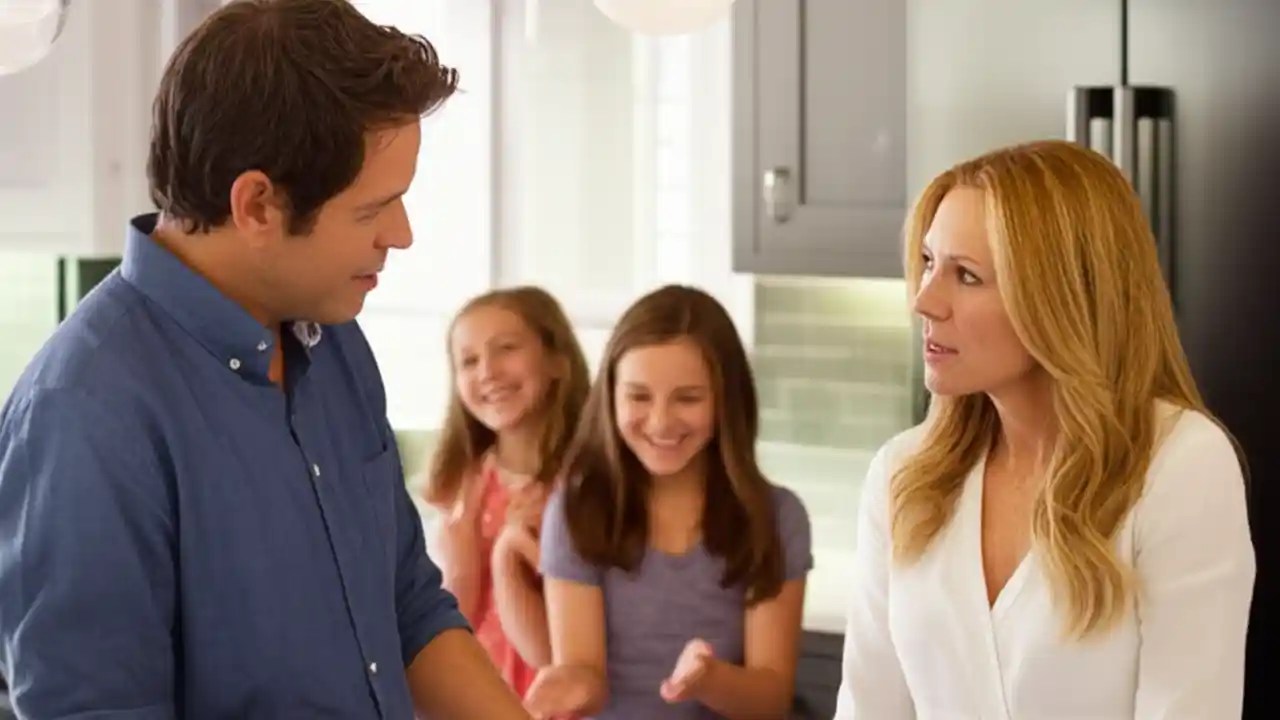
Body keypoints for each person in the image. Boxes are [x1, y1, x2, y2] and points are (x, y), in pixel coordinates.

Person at [0, 1, 532, 717]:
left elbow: (407, 606)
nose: (400, 236)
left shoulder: (333, 338)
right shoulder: (84, 414)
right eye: (373, 210)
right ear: (257, 205)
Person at [834, 140, 1256, 718]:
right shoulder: (903, 474)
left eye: (967, 275)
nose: (925, 300)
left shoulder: (1180, 465)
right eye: (929, 263)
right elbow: (868, 706)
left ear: (1062, 295)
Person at [522, 285, 813, 720]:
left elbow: (770, 699)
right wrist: (565, 687)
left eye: (688, 398)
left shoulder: (775, 518)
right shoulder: (575, 512)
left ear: (725, 401)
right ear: (611, 397)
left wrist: (709, 680)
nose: (660, 421)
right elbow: (586, 673)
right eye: (639, 396)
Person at [425, 286, 591, 698]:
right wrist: (463, 570)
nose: (487, 371)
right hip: (477, 694)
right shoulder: (462, 488)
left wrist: (512, 557)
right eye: (469, 361)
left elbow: (555, 652)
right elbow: (447, 631)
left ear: (557, 360)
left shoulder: (586, 487)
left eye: (506, 349)